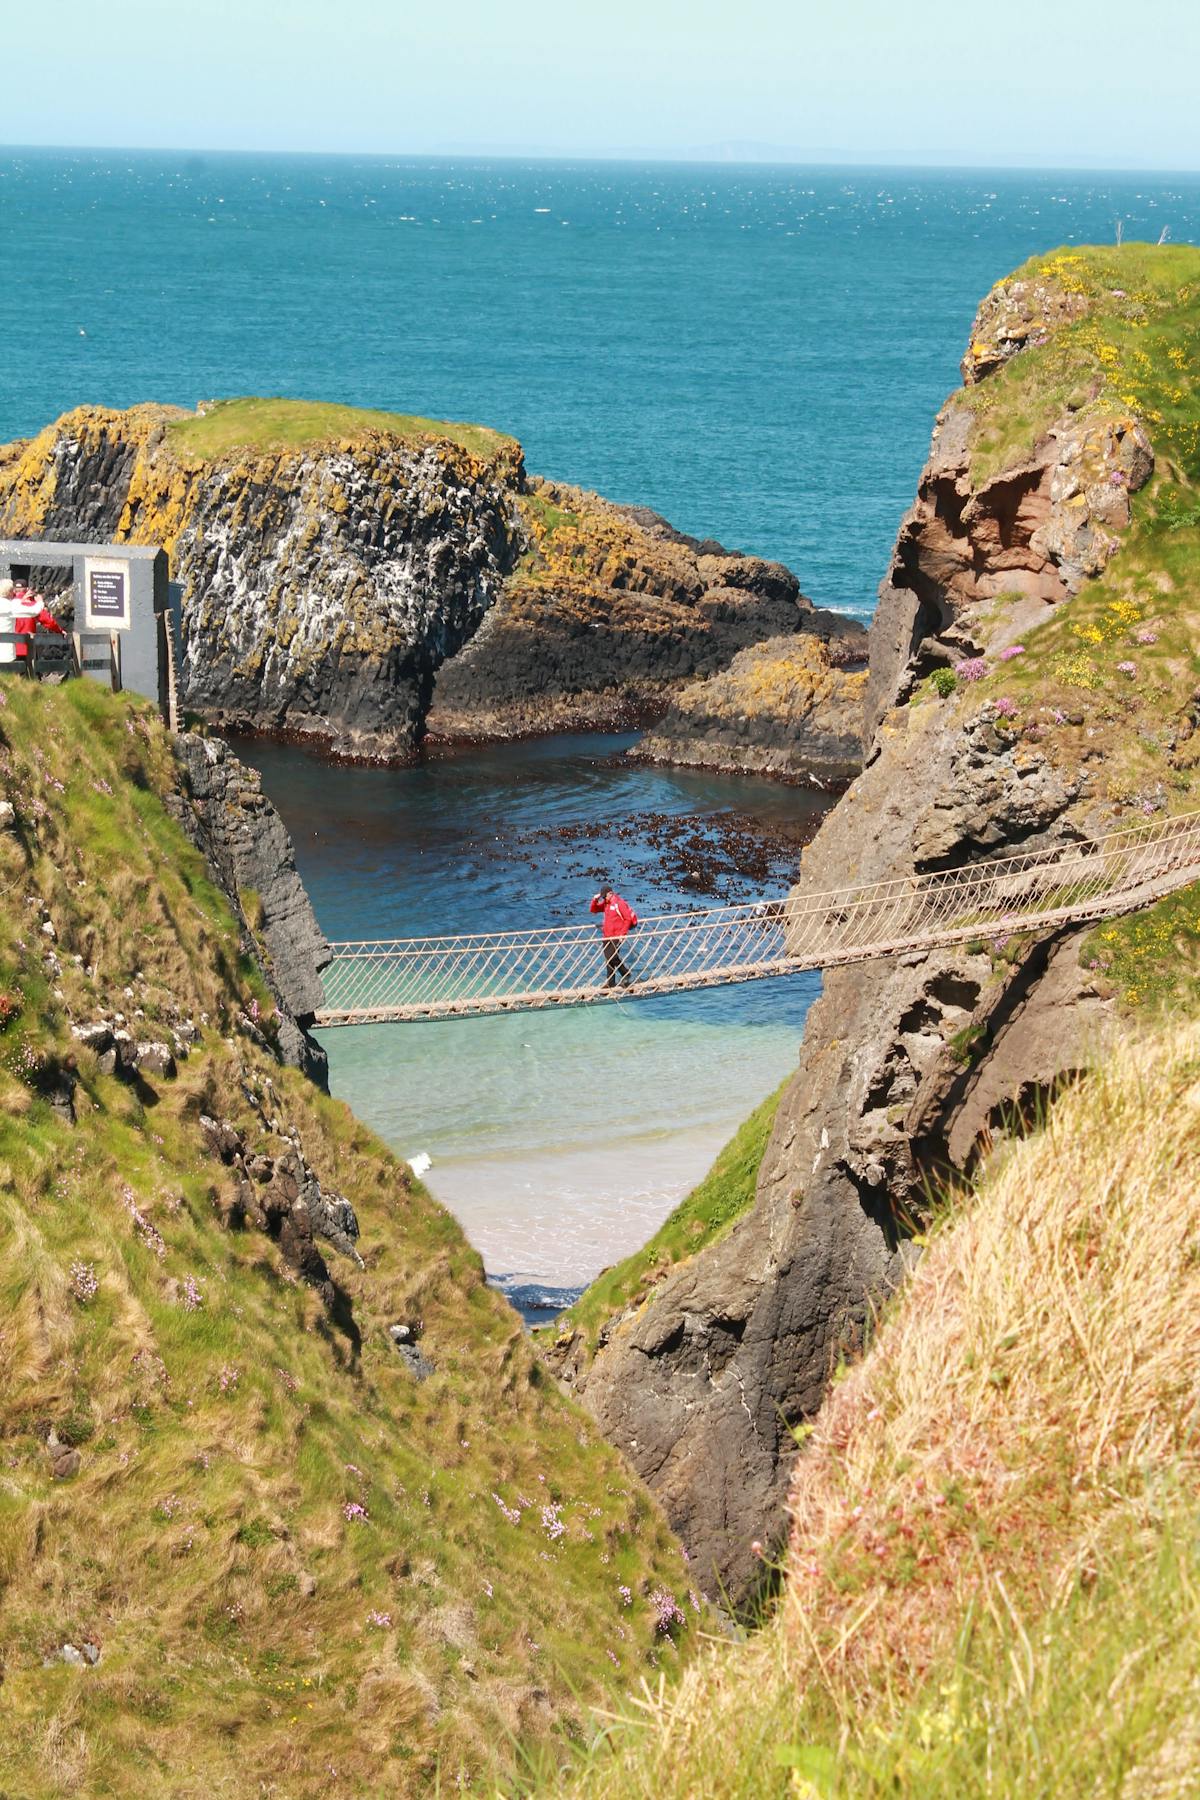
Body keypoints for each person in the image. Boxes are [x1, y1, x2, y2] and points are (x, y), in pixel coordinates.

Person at [589, 883, 638, 988]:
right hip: (607, 935)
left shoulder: (619, 903)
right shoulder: (606, 903)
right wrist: (595, 900)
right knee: (609, 959)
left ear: (610, 894)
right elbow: (594, 910)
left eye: (604, 896)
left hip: (617, 936)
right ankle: (611, 983)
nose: (603, 898)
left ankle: (626, 974)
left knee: (612, 957)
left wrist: (622, 934)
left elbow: (628, 919)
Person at [10, 583, 67, 664]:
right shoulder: (31, 605)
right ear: (27, 590)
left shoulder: (9, 604)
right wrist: (59, 630)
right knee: (27, 672)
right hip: (26, 646)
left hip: (8, 647)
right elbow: (47, 621)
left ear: (14, 590)